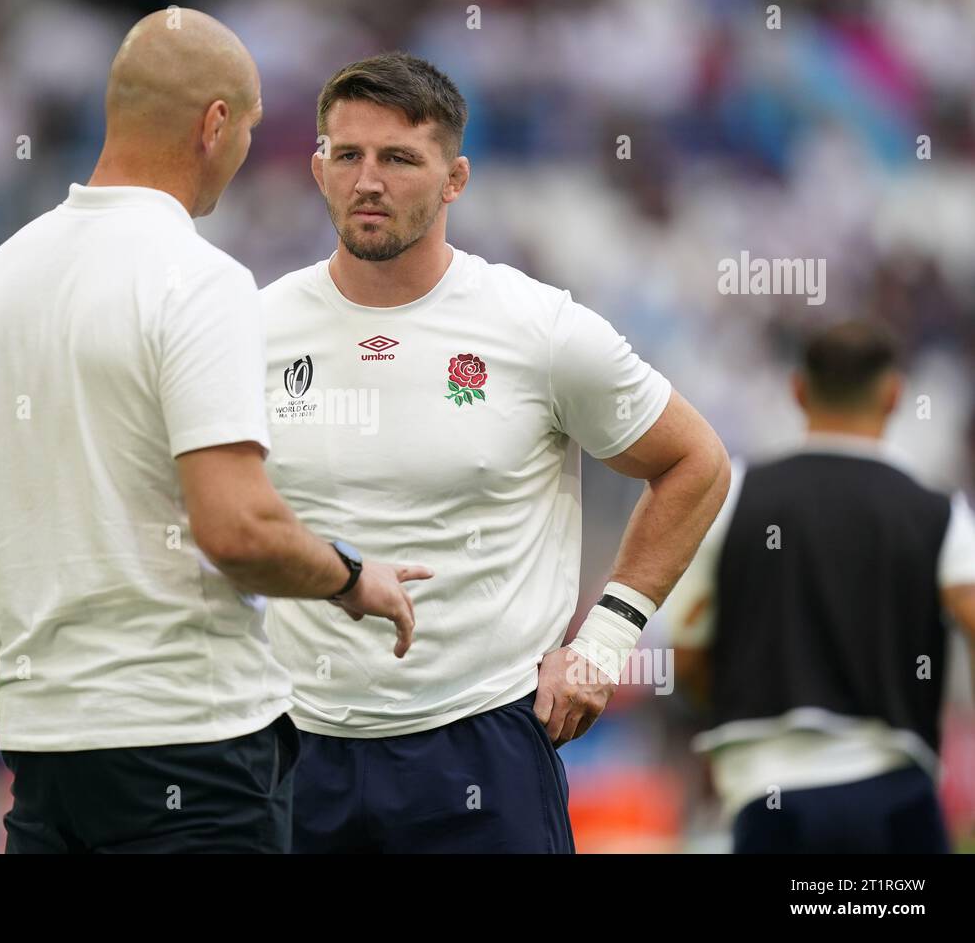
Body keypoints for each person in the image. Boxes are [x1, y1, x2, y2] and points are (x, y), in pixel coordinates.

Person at [0, 12, 429, 854]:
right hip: (193, 756)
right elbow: (234, 529)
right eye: (251, 131)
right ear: (215, 125)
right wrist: (352, 578)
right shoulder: (199, 280)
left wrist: (50, 697)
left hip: (46, 758)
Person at [259, 52, 730, 853]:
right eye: (349, 155)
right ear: (318, 168)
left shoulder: (535, 327)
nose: (368, 180)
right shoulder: (254, 327)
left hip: (484, 744)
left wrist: (604, 643)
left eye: (400, 158)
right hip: (300, 749)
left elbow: (695, 463)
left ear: (456, 180)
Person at [666, 320, 975, 853]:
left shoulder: (733, 498)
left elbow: (688, 655)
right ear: (894, 395)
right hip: (894, 795)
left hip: (769, 794)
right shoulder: (939, 514)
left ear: (799, 391)